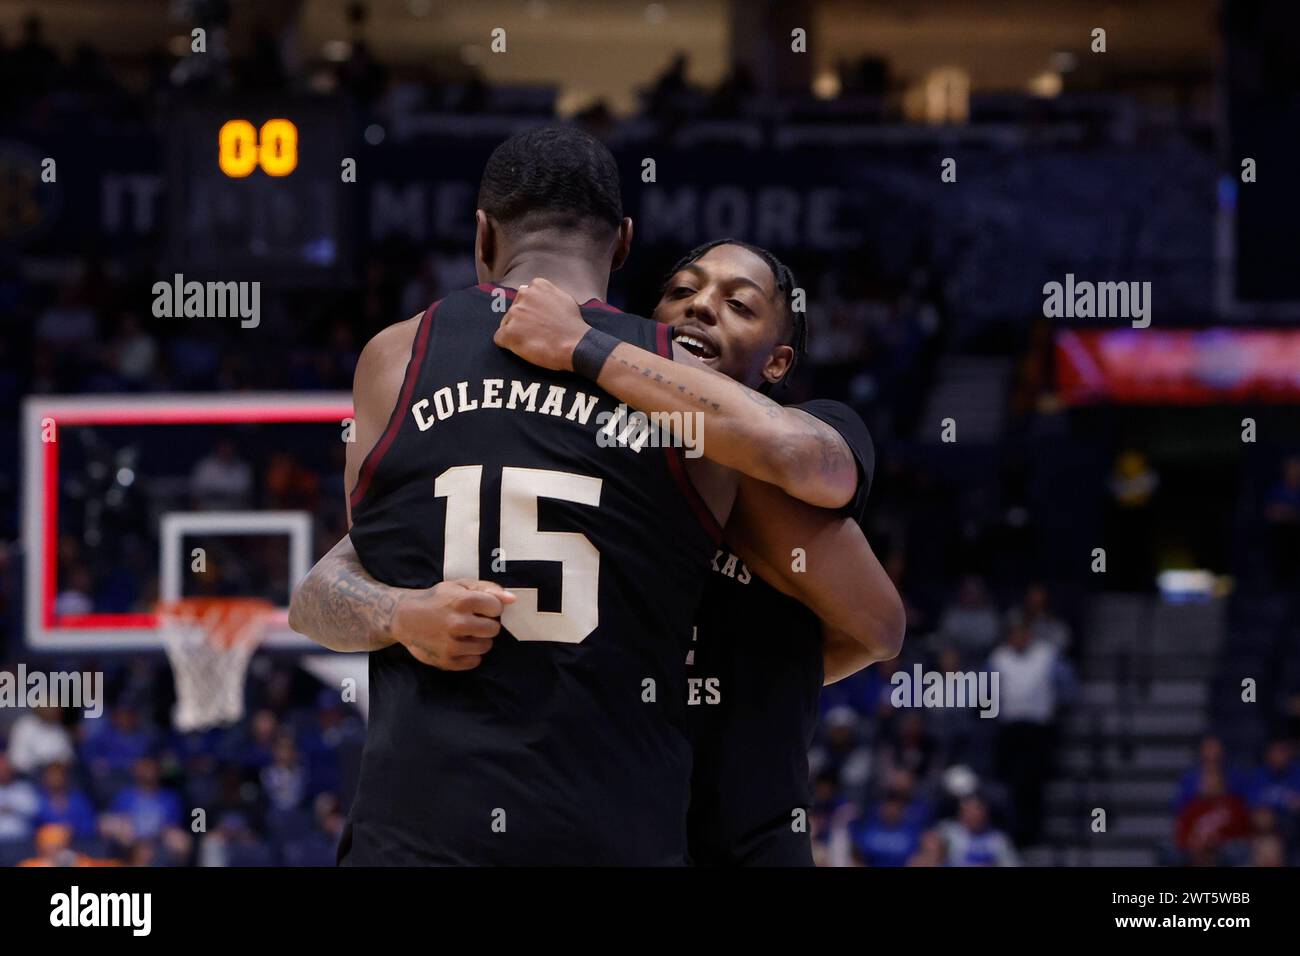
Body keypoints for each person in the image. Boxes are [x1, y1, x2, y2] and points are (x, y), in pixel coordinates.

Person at [289, 127, 900, 865]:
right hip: (611, 827)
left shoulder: (395, 357)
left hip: (425, 832)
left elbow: (814, 477)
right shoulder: (691, 419)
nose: (701, 310)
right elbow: (327, 583)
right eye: (684, 291)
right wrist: (401, 612)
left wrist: (757, 678)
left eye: (738, 303)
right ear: (622, 247)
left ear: (482, 237)